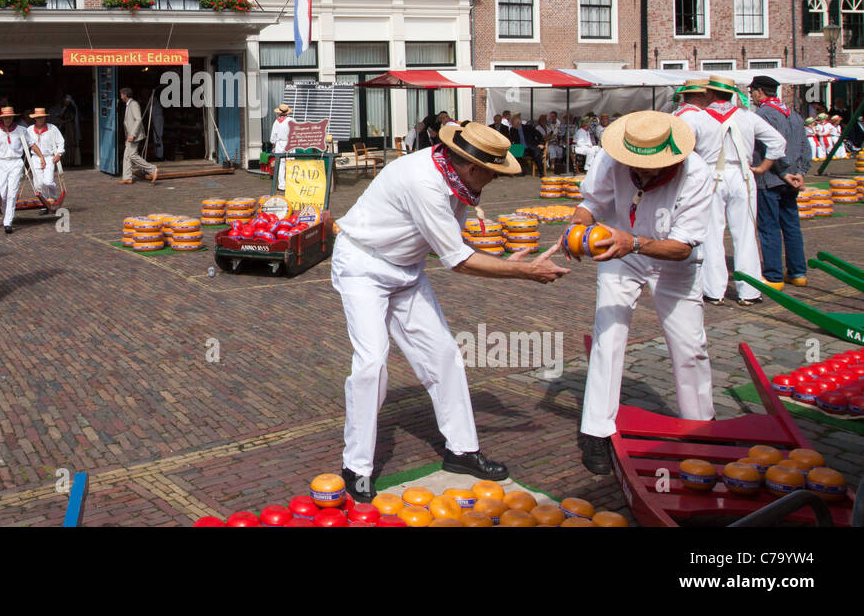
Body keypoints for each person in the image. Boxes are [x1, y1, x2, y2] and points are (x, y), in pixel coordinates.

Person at [330, 122, 569, 499]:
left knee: (444, 356)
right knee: (372, 364)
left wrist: (504, 259)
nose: (495, 180)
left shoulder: (457, 179)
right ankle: (356, 467)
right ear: (473, 167)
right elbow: (458, 261)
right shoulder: (424, 182)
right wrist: (522, 271)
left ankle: (461, 450)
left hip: (407, 270)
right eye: (493, 173)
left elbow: (456, 245)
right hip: (364, 265)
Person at [571, 110, 713, 475]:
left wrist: (632, 242)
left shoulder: (696, 173)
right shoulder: (611, 156)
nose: (642, 172)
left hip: (671, 257)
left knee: (689, 344)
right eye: (635, 165)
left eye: (650, 168)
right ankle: (597, 431)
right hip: (620, 251)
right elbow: (592, 204)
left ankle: (700, 426)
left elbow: (681, 247)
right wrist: (576, 226)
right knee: (609, 336)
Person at [694, 76, 787, 306]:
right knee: (745, 233)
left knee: (712, 233)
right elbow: (777, 142)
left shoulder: (699, 118)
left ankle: (714, 291)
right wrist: (763, 167)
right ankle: (750, 291)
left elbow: (682, 147)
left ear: (710, 94)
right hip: (742, 174)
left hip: (709, 174)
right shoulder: (747, 116)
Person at [748, 76, 809, 290]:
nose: (752, 96)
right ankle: (797, 272)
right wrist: (800, 172)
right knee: (792, 226)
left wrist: (783, 172)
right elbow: (804, 146)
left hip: (770, 179)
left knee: (769, 228)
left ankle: (773, 276)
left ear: (759, 92)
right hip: (792, 179)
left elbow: (768, 149)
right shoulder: (793, 114)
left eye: (752, 92)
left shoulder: (762, 115)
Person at [0, 105, 41, 232]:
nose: (7, 120)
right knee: (3, 193)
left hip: (16, 162)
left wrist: (41, 157)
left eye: (9, 117)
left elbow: (31, 144)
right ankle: (5, 214)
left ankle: (8, 222)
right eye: (5, 118)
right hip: (2, 163)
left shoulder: (21, 130)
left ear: (13, 118)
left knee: (12, 193)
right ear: (2, 119)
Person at [27, 108, 64, 209]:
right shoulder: (30, 130)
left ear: (45, 117)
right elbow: (26, 143)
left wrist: (59, 154)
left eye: (42, 117)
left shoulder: (52, 128)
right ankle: (44, 205)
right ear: (35, 118)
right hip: (35, 158)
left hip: (49, 157)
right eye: (38, 117)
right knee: (39, 183)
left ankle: (53, 199)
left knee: (48, 181)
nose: (40, 119)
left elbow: (61, 141)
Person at [120, 87, 158, 184]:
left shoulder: (133, 104)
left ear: (125, 95)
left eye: (121, 94)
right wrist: (127, 137)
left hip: (135, 135)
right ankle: (127, 177)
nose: (120, 96)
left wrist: (132, 134)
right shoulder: (128, 105)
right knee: (126, 156)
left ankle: (152, 169)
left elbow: (138, 119)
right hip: (130, 136)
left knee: (132, 155)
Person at [269, 103, 295, 191]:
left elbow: (273, 137)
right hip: (290, 143)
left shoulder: (276, 122)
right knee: (291, 163)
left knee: (281, 165)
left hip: (279, 144)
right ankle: (291, 183)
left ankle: (282, 185)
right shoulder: (291, 120)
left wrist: (274, 145)